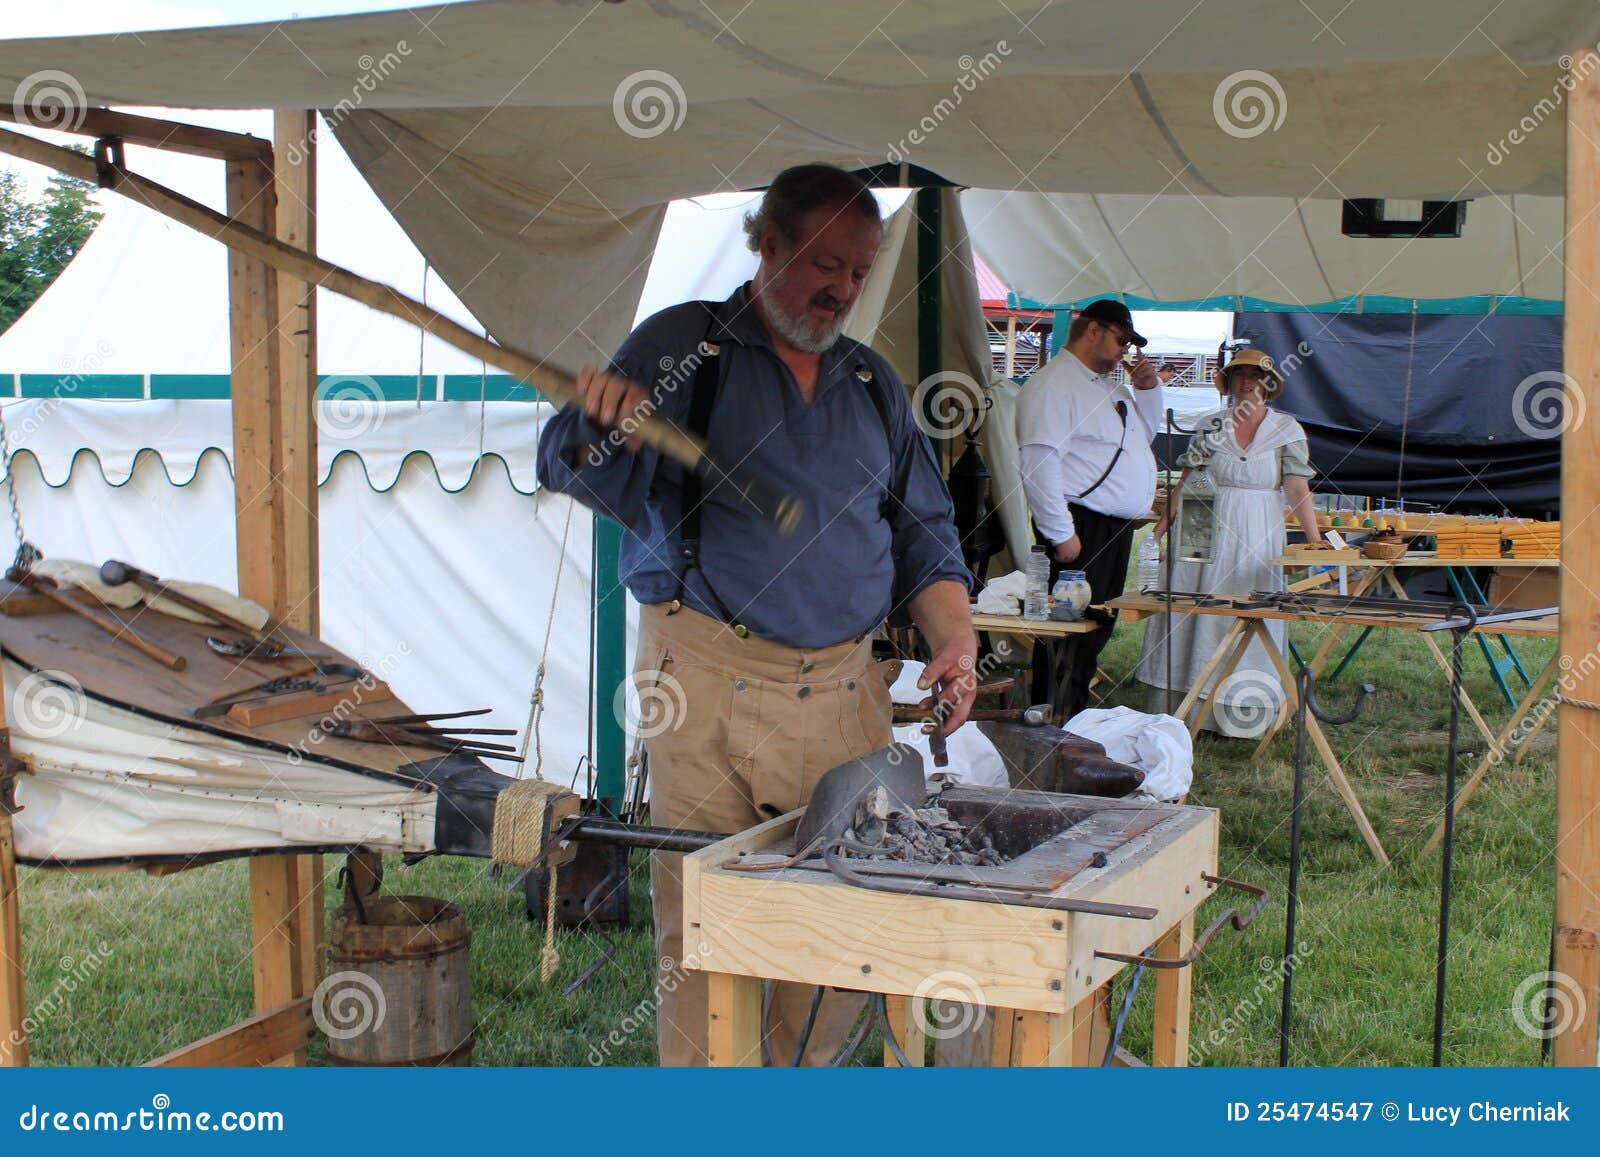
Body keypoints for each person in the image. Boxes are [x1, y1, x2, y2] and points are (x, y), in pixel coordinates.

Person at [535, 163, 977, 1066]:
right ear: (768, 244)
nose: (844, 290)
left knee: (838, 926)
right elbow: (575, 467)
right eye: (827, 264)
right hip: (705, 687)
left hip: (847, 693)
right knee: (709, 932)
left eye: (861, 271)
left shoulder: (870, 384)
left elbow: (923, 530)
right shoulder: (679, 350)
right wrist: (601, 422)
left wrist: (956, 638)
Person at [1136, 348, 1323, 736]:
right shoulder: (1211, 425)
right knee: (1194, 609)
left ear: (1268, 384)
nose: (1246, 382)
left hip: (1258, 527)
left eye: (1255, 376)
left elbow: (1297, 486)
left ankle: (1240, 714)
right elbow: (1189, 482)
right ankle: (1185, 708)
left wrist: (1315, 540)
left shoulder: (1285, 429)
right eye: (1239, 375)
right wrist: (1160, 530)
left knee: (1249, 610)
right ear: (1229, 382)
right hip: (1205, 521)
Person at [1016, 299, 1163, 720]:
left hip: (1110, 529)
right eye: (1121, 340)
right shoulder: (1054, 385)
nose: (1126, 352)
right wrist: (1061, 533)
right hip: (1080, 524)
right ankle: (1050, 722)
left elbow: (1141, 437)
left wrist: (1148, 390)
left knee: (1092, 631)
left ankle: (1070, 720)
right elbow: (1040, 461)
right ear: (1093, 330)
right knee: (1066, 633)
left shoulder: (1108, 386)